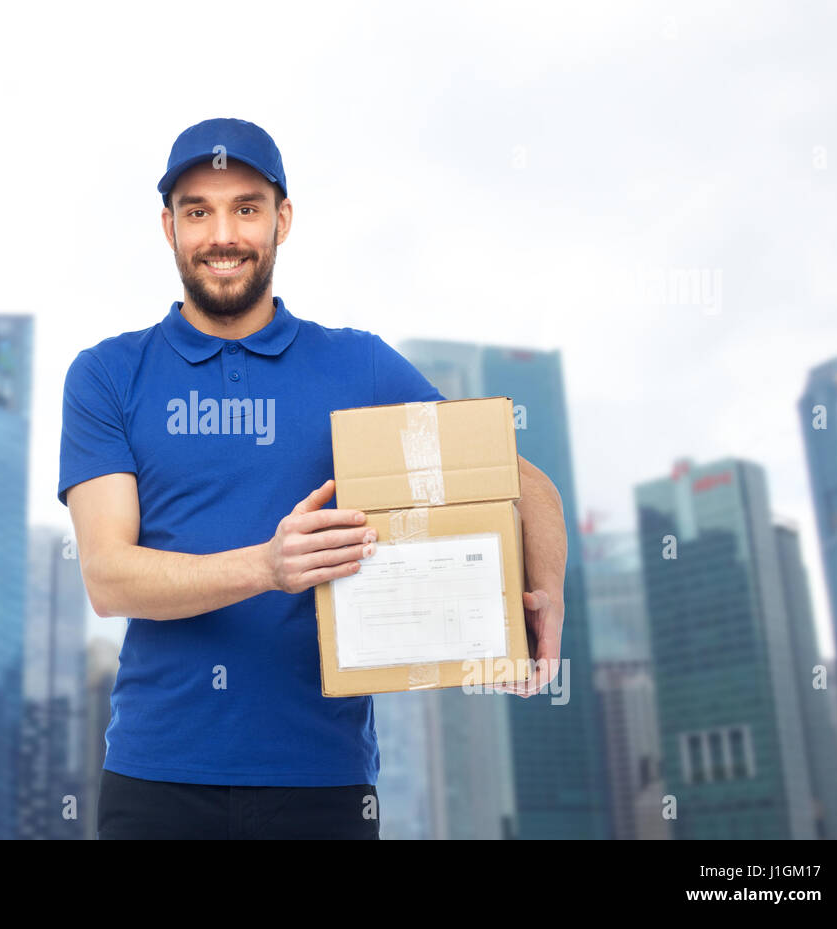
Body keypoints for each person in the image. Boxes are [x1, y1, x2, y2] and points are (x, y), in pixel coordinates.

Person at [59, 117, 567, 839]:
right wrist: (267, 565)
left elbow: (526, 482)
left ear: (282, 220)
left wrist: (546, 595)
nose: (222, 233)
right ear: (168, 228)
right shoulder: (108, 375)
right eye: (198, 210)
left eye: (246, 207)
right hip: (157, 781)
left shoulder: (357, 366)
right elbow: (109, 578)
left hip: (325, 784)